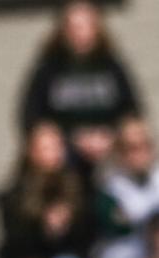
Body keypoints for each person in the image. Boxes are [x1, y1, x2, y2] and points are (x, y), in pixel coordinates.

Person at [18, 0, 142, 172]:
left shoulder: (111, 67)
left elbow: (133, 110)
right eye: (75, 27)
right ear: (63, 30)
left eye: (86, 26)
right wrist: (71, 139)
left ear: (98, 28)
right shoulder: (49, 70)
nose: (80, 33)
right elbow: (31, 117)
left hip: (109, 152)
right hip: (64, 155)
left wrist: (109, 137)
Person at [0, 120, 94, 258]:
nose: (53, 154)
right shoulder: (14, 195)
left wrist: (62, 230)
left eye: (57, 146)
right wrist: (43, 229)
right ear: (31, 152)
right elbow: (14, 242)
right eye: (46, 148)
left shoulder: (78, 190)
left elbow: (85, 240)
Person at [95, 116, 159, 241]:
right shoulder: (110, 188)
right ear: (120, 152)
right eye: (132, 148)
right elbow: (116, 226)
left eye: (144, 145)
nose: (140, 154)